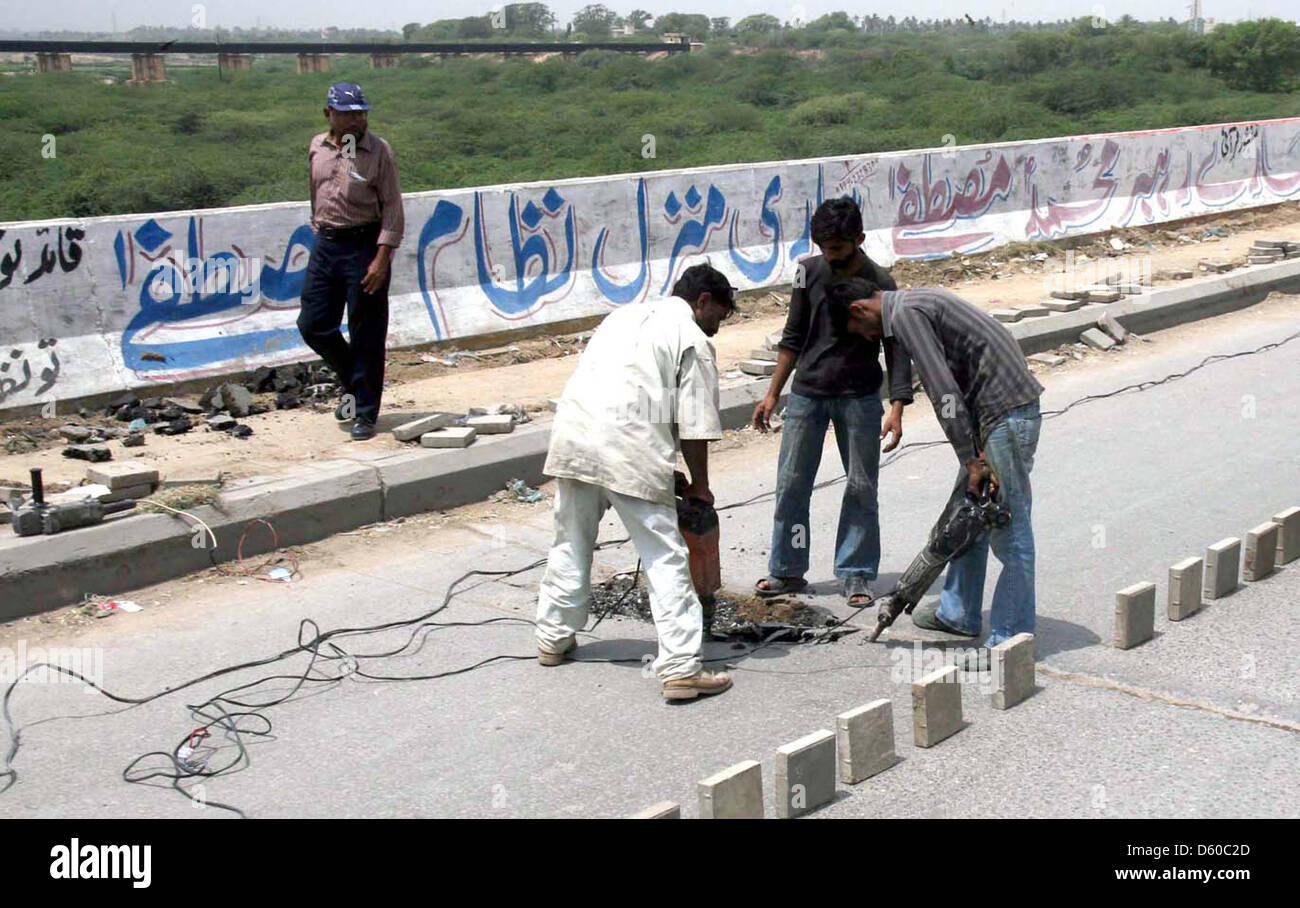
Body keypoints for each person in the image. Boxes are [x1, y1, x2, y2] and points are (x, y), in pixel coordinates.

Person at [535, 263, 735, 702]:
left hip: (576, 438)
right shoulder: (692, 338)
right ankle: (681, 668)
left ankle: (553, 637)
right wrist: (700, 486)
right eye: (718, 317)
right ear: (702, 302)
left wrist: (662, 463)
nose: (716, 329)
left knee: (571, 540)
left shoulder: (620, 316)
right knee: (665, 555)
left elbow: (628, 390)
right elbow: (696, 424)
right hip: (628, 448)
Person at [828, 278, 1045, 666]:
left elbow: (943, 394)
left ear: (859, 311)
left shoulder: (907, 315)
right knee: (968, 518)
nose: (869, 338)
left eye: (861, 332)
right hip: (997, 413)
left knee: (1007, 528)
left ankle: (1011, 641)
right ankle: (957, 613)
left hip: (1005, 415)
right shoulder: (915, 300)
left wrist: (970, 458)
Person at [751, 198, 911, 607]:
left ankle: (855, 572)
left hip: (859, 397)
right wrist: (772, 393)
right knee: (791, 484)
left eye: (838, 248)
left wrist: (896, 406)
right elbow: (793, 336)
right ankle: (786, 569)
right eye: (824, 247)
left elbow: (896, 347)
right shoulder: (808, 272)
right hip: (807, 395)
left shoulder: (882, 282)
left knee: (860, 486)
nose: (830, 255)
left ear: (858, 239)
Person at [298, 82, 404, 441]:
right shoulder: (317, 146)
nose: (356, 120)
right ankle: (353, 381)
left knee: (366, 333)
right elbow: (317, 194)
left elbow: (392, 207)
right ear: (329, 114)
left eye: (361, 113)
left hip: (365, 246)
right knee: (313, 324)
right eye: (348, 113)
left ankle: (365, 413)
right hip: (327, 244)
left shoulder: (378, 151)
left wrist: (382, 257)